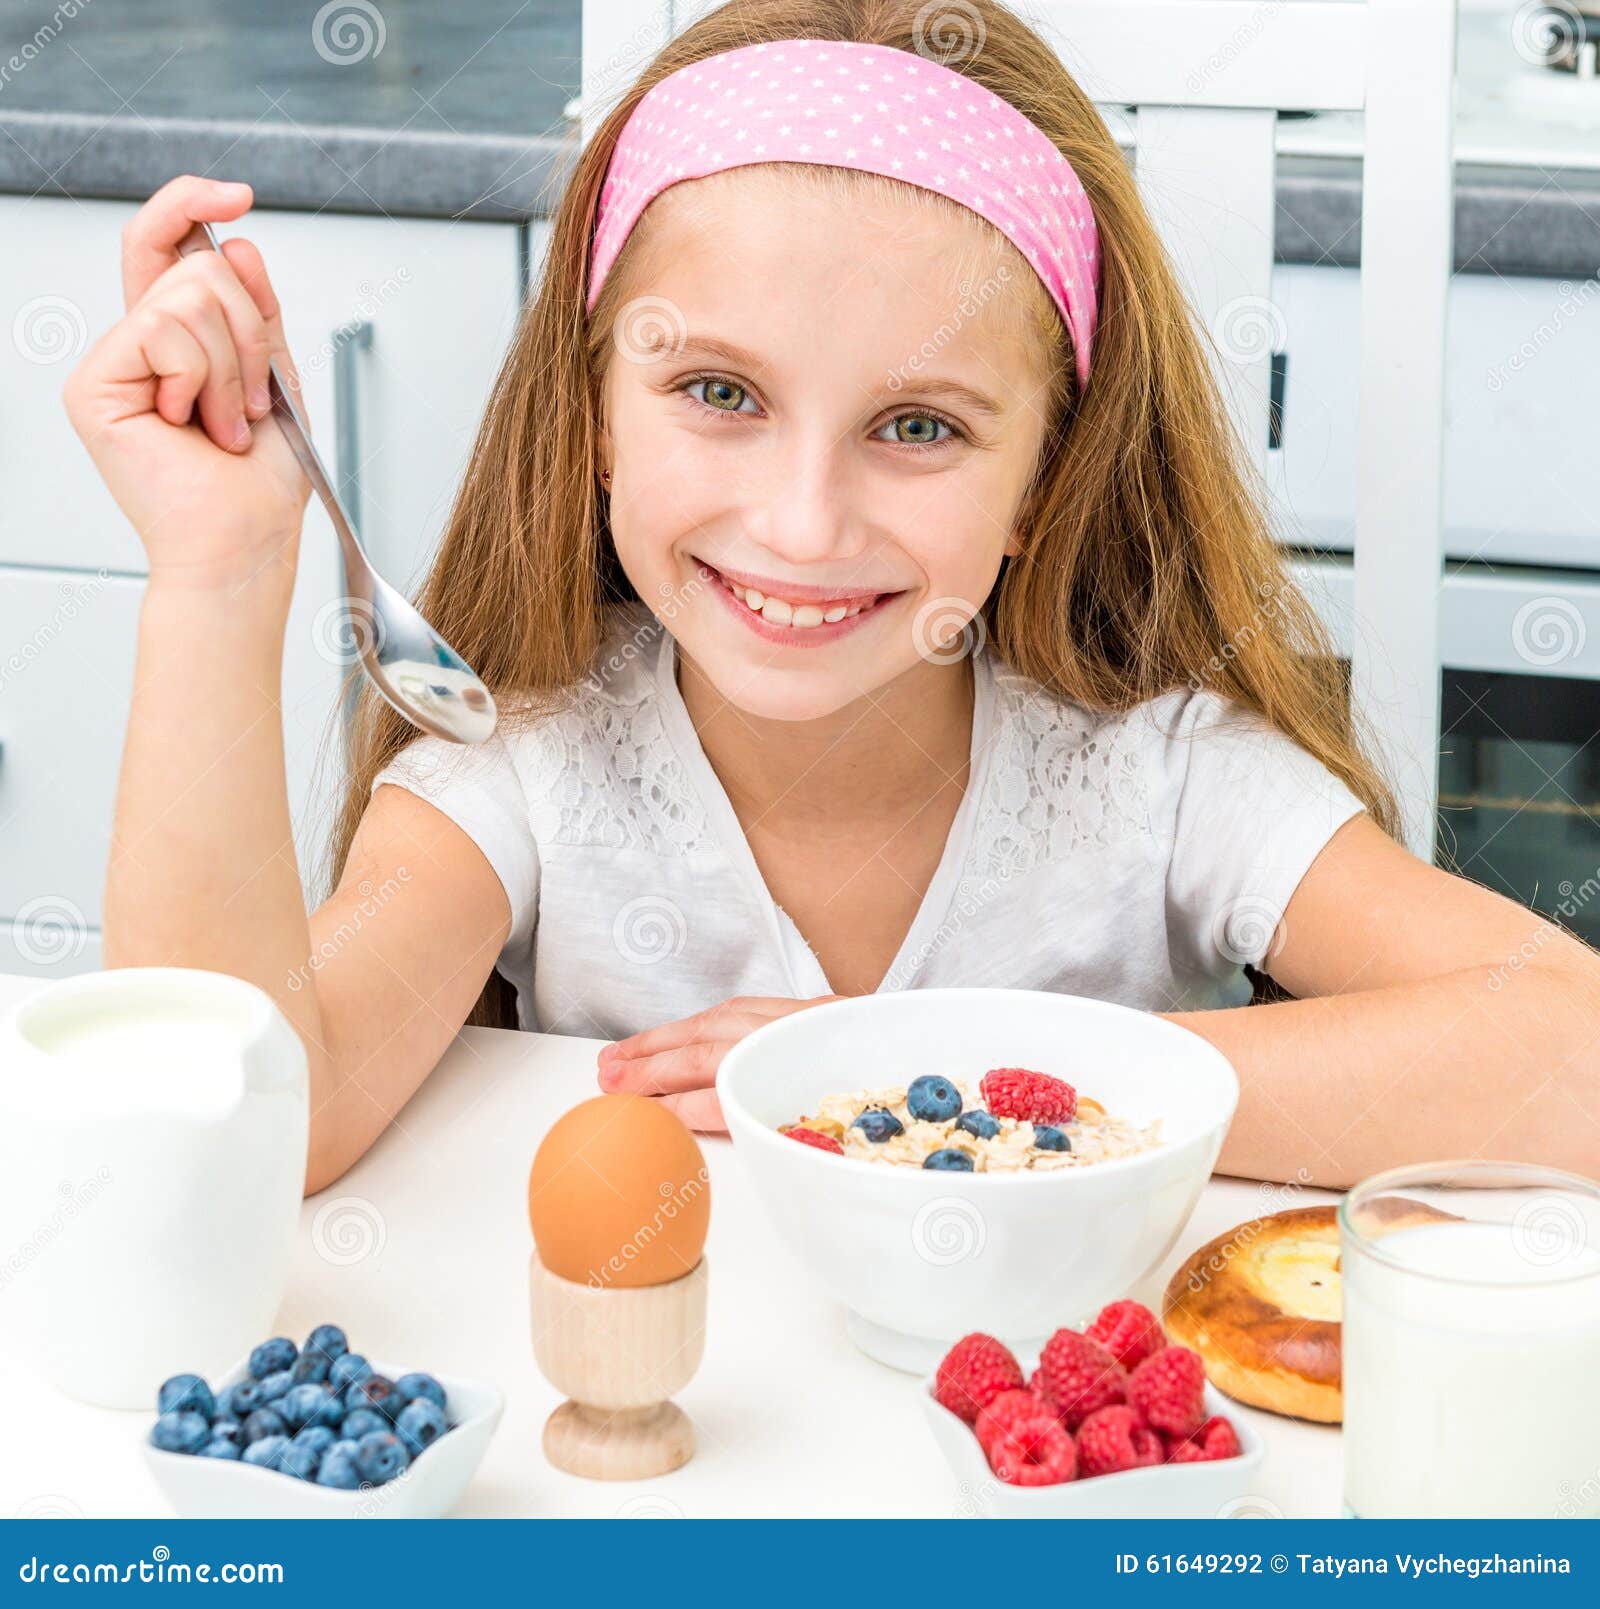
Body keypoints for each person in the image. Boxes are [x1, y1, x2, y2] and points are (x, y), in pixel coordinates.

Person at [65, 1, 1599, 1195]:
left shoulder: (1153, 771)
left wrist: (949, 1072)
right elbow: (237, 1119)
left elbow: (1573, 1054)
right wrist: (220, 568)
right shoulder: (526, 763)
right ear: (595, 412)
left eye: (920, 427)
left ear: (1045, 478)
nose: (803, 523)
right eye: (718, 390)